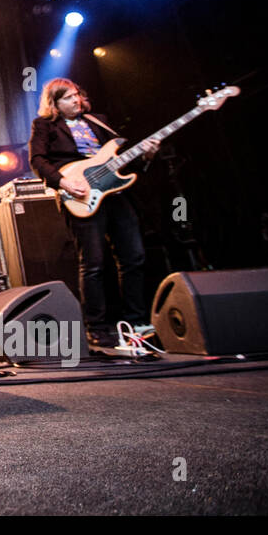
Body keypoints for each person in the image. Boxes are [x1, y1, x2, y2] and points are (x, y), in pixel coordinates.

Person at [28, 78, 159, 347]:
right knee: (94, 262)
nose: (75, 100)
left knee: (134, 256)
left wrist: (145, 156)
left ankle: (137, 320)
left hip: (115, 194)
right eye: (67, 98)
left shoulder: (99, 121)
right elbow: (38, 159)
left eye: (77, 95)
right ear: (55, 103)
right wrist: (63, 182)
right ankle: (97, 326)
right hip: (80, 193)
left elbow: (121, 158)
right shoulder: (44, 125)